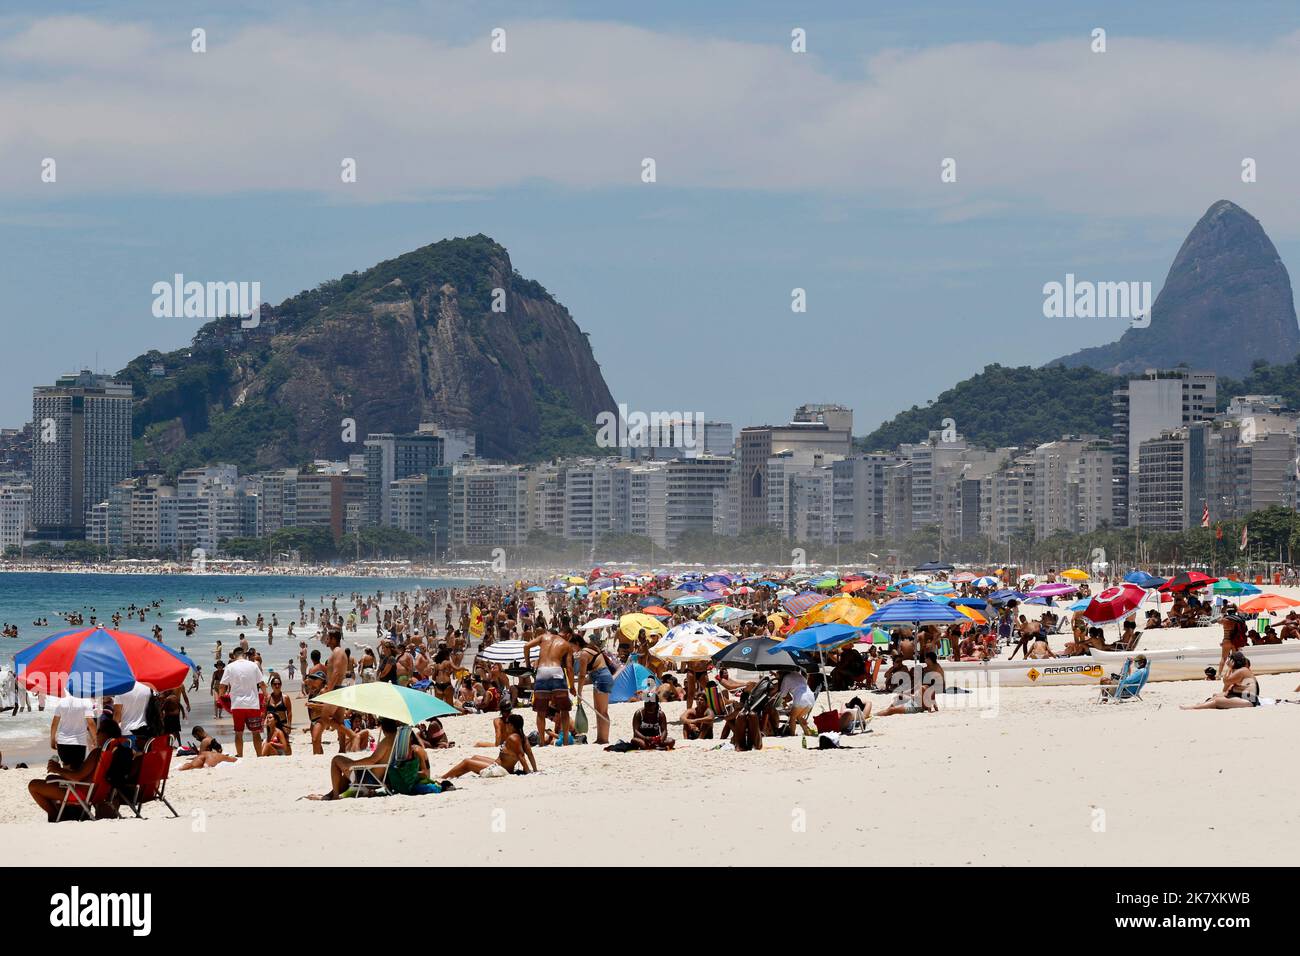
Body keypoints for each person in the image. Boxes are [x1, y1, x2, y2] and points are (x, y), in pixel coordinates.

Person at [27, 718, 125, 821]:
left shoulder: (97, 753)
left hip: (80, 793)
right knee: (50, 778)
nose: (96, 734)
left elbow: (77, 777)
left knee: (33, 785)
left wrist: (57, 769)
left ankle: (54, 814)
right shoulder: (113, 753)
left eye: (99, 731)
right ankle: (61, 814)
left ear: (106, 734)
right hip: (95, 792)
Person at [524, 624, 575, 747]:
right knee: (564, 709)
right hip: (557, 671)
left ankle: (541, 742)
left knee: (541, 711)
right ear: (568, 635)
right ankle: (566, 742)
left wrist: (527, 665)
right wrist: (572, 686)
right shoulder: (566, 645)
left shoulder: (543, 637)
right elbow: (569, 668)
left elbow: (526, 646)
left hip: (542, 672)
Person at [440, 713, 537, 778]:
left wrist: (528, 772)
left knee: (467, 762)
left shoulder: (513, 738)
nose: (505, 725)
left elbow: (521, 756)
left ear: (511, 725)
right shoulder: (523, 737)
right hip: (499, 765)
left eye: (507, 723)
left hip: (501, 769)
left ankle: (443, 778)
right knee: (475, 757)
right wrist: (535, 770)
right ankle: (452, 775)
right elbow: (530, 754)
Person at [221, 647, 266, 758]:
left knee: (238, 732)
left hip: (237, 704)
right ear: (244, 654)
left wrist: (221, 696)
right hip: (252, 704)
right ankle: (259, 755)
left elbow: (222, 685)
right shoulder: (253, 665)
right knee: (255, 732)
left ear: (234, 656)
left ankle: (240, 755)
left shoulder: (230, 667)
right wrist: (266, 694)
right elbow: (262, 683)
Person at [1182, 652, 1259, 710]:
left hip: (1249, 701)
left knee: (1217, 701)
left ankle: (1194, 707)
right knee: (1217, 696)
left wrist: (1229, 668)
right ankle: (1202, 704)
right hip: (1243, 697)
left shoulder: (1242, 671)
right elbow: (1225, 689)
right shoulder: (1240, 671)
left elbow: (1226, 681)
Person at [48, 693, 97, 770]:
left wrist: (52, 740)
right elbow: (91, 723)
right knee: (77, 768)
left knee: (66, 767)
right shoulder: (86, 702)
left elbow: (54, 723)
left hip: (63, 742)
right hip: (79, 742)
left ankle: (65, 781)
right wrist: (95, 739)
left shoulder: (61, 702)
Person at [778, 667, 816, 735]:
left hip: (801, 698)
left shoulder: (786, 677)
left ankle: (792, 734)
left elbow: (783, 694)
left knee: (792, 717)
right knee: (799, 717)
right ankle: (807, 732)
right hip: (811, 697)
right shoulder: (798, 675)